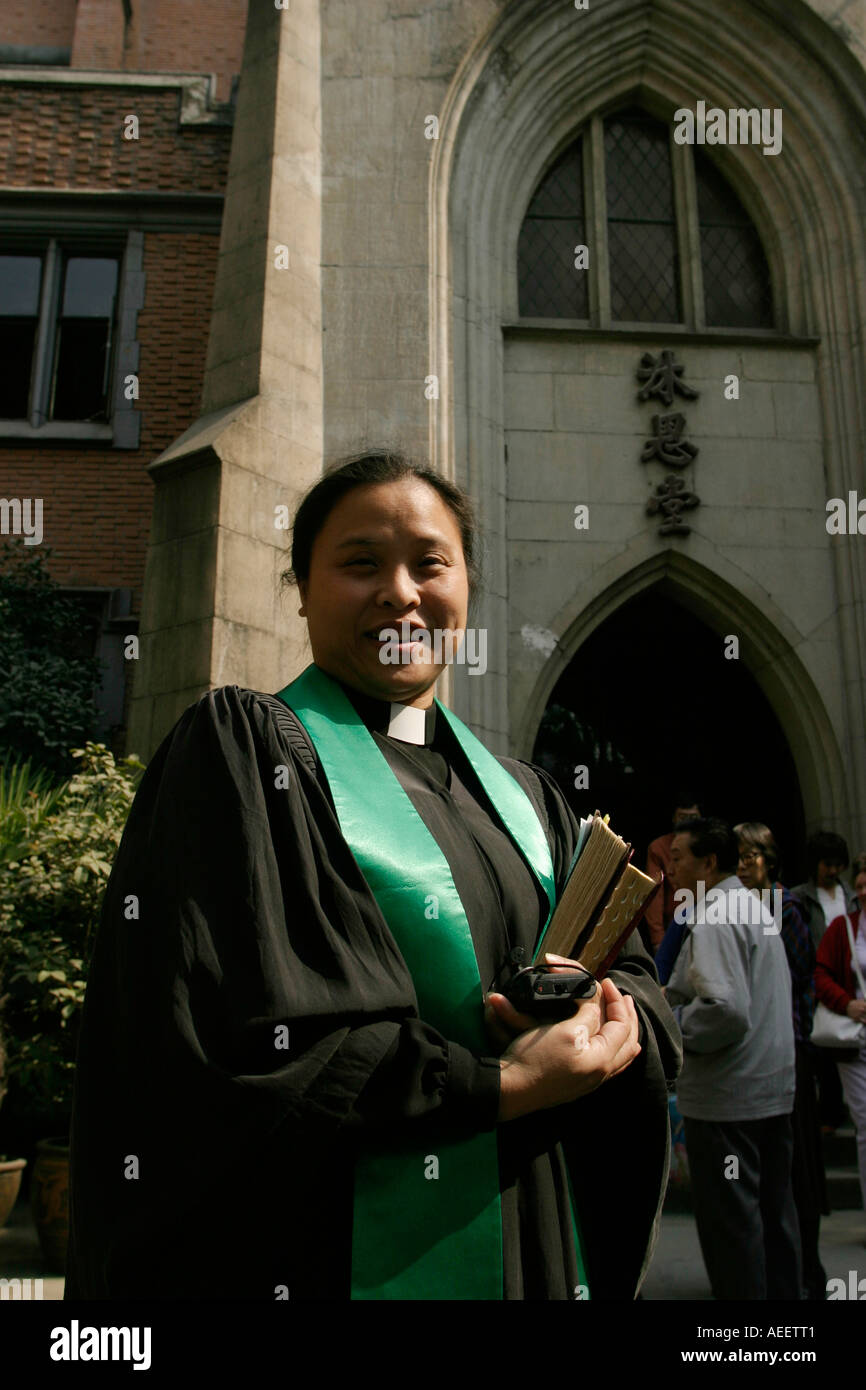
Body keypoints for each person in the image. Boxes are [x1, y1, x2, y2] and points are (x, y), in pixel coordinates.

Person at [65, 449, 681, 1301]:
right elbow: (236, 1040)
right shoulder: (250, 757)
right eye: (360, 564)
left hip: (536, 1235)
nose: (400, 593)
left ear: (466, 586)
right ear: (303, 588)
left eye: (431, 563)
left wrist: (607, 1025)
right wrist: (500, 1086)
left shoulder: (529, 798)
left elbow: (638, 977)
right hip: (339, 1255)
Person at [666, 816, 802, 1300]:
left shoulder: (715, 917)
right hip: (768, 1092)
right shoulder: (747, 905)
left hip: (729, 1100)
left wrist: (671, 1027)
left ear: (708, 862)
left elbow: (725, 1010)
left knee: (734, 1230)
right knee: (773, 1219)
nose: (671, 868)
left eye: (678, 858)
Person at [734, 821, 828, 1301]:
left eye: (754, 855)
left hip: (787, 1048)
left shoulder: (785, 908)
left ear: (769, 858)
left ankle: (804, 1271)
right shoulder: (730, 910)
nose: (746, 864)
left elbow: (798, 980)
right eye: (739, 856)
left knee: (796, 1174)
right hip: (752, 1054)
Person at [792, 832, 858, 1133]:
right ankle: (829, 1111)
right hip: (814, 979)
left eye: (837, 865)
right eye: (826, 864)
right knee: (822, 1045)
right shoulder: (801, 897)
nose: (832, 871)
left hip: (848, 980)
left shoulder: (852, 895)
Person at [814, 853, 866, 1220]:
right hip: (857, 1040)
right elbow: (821, 975)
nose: (862, 891)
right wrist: (846, 1003)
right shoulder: (842, 928)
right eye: (860, 885)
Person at [643, 794, 701, 954]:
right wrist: (658, 940)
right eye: (683, 817)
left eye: (693, 817)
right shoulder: (659, 848)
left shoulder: (708, 850)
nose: (688, 822)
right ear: (674, 818)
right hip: (673, 928)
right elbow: (654, 897)